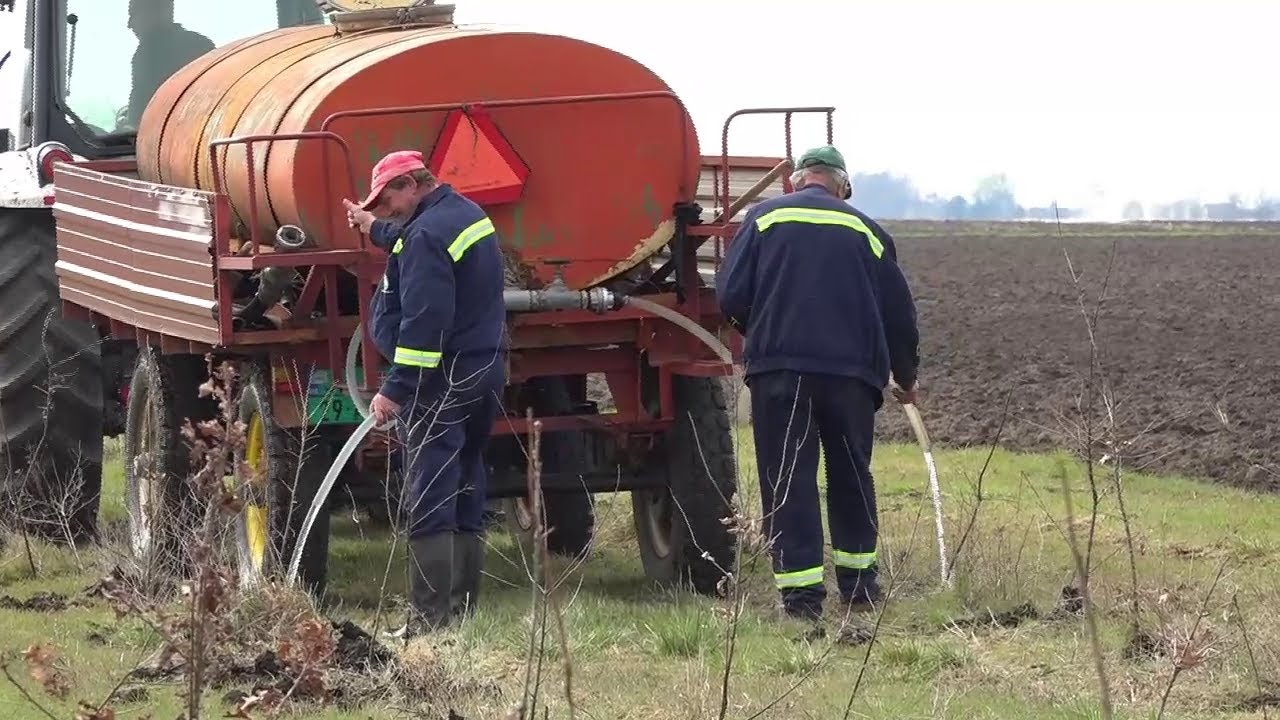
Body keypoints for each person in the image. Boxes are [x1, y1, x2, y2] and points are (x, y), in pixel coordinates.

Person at [716, 144, 921, 622]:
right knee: (851, 475)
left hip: (780, 373)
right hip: (852, 377)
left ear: (796, 181)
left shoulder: (763, 220)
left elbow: (729, 294)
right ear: (842, 186)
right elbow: (899, 316)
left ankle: (802, 599)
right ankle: (859, 587)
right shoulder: (869, 232)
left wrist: (762, 333)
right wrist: (906, 378)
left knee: (789, 478)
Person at [342, 150, 508, 634]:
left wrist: (395, 388)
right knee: (467, 478)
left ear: (413, 184)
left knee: (431, 490)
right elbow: (407, 237)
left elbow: (425, 323)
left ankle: (428, 621)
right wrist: (371, 224)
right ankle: (461, 614)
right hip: (484, 369)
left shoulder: (426, 236)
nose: (387, 207)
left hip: (442, 380)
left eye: (389, 196)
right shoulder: (464, 215)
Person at [124, 0, 215, 129]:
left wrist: (127, 126)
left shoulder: (150, 51)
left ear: (157, 12)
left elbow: (138, 119)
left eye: (133, 14)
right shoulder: (202, 45)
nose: (130, 24)